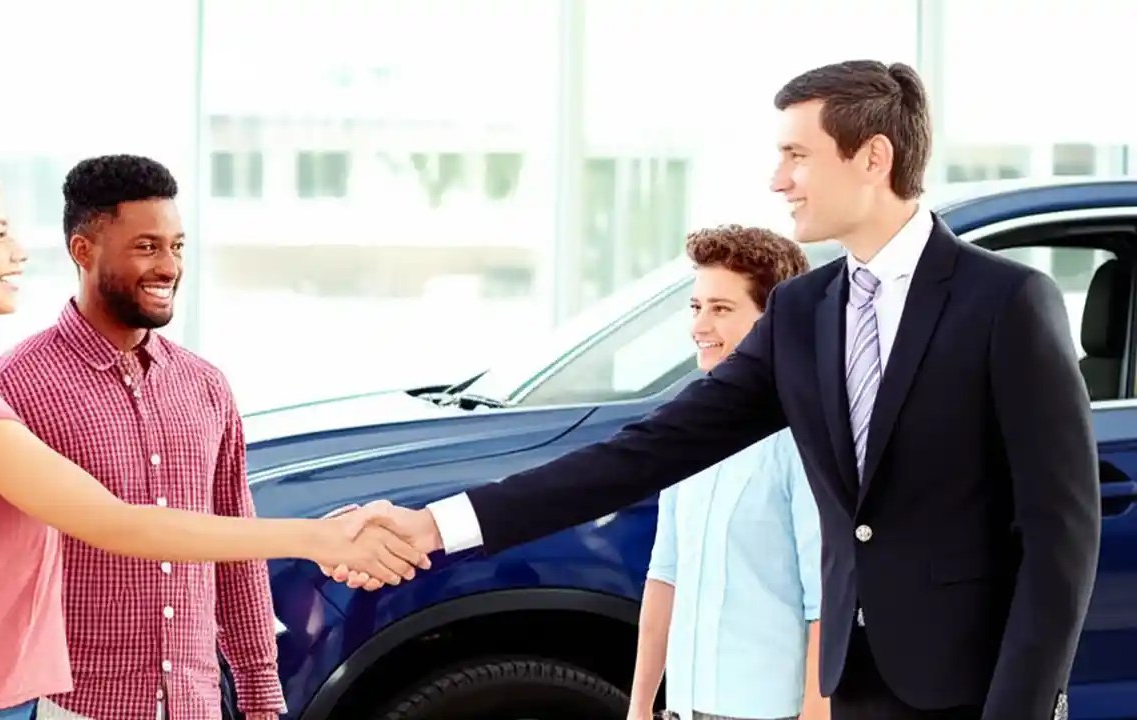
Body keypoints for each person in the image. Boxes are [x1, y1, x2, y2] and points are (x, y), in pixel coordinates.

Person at [351, 60, 1101, 719]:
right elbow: (647, 450)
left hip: (974, 689)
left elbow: (1060, 539)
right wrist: (439, 525)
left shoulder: (1006, 302)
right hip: (857, 685)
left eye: (797, 155)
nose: (778, 180)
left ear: (873, 157)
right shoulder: (804, 314)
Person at [0, 159, 427, 720]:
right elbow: (122, 523)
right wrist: (320, 538)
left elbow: (217, 532)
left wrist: (257, 685)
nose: (20, 252)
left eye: (176, 245)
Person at [0, 154, 288, 720]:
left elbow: (237, 544)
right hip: (68, 707)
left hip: (195, 705)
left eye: (177, 246)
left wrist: (259, 690)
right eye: (147, 247)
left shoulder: (206, 387)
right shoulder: (8, 390)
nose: (169, 266)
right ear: (83, 251)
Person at [625, 226, 825, 720]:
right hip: (684, 709)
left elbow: (827, 597)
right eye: (696, 307)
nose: (700, 326)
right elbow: (664, 575)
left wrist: (817, 713)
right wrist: (640, 705)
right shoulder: (686, 427)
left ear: (772, 320)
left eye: (721, 309)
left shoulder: (800, 437)